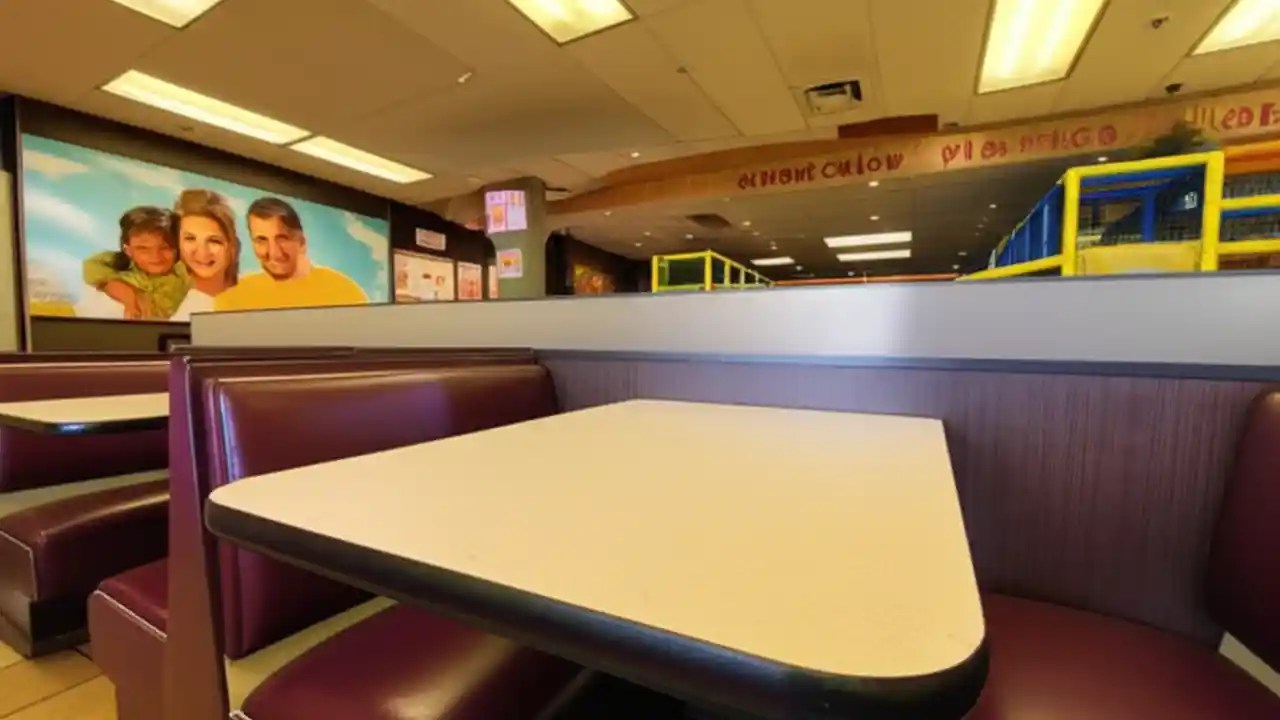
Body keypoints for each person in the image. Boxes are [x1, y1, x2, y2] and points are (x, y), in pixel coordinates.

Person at [213, 197, 368, 311]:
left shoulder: (344, 293)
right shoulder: (233, 299)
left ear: (301, 242)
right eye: (261, 240)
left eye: (282, 238)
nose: (273, 252)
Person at [82, 206, 186, 319]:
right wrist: (128, 297)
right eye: (143, 249)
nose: (155, 256)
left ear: (177, 247)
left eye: (165, 247)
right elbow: (91, 265)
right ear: (128, 251)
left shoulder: (184, 273)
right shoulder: (122, 269)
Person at [170, 189, 240, 320]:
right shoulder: (181, 314)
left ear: (231, 245)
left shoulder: (257, 291)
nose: (202, 252)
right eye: (190, 238)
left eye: (214, 241)